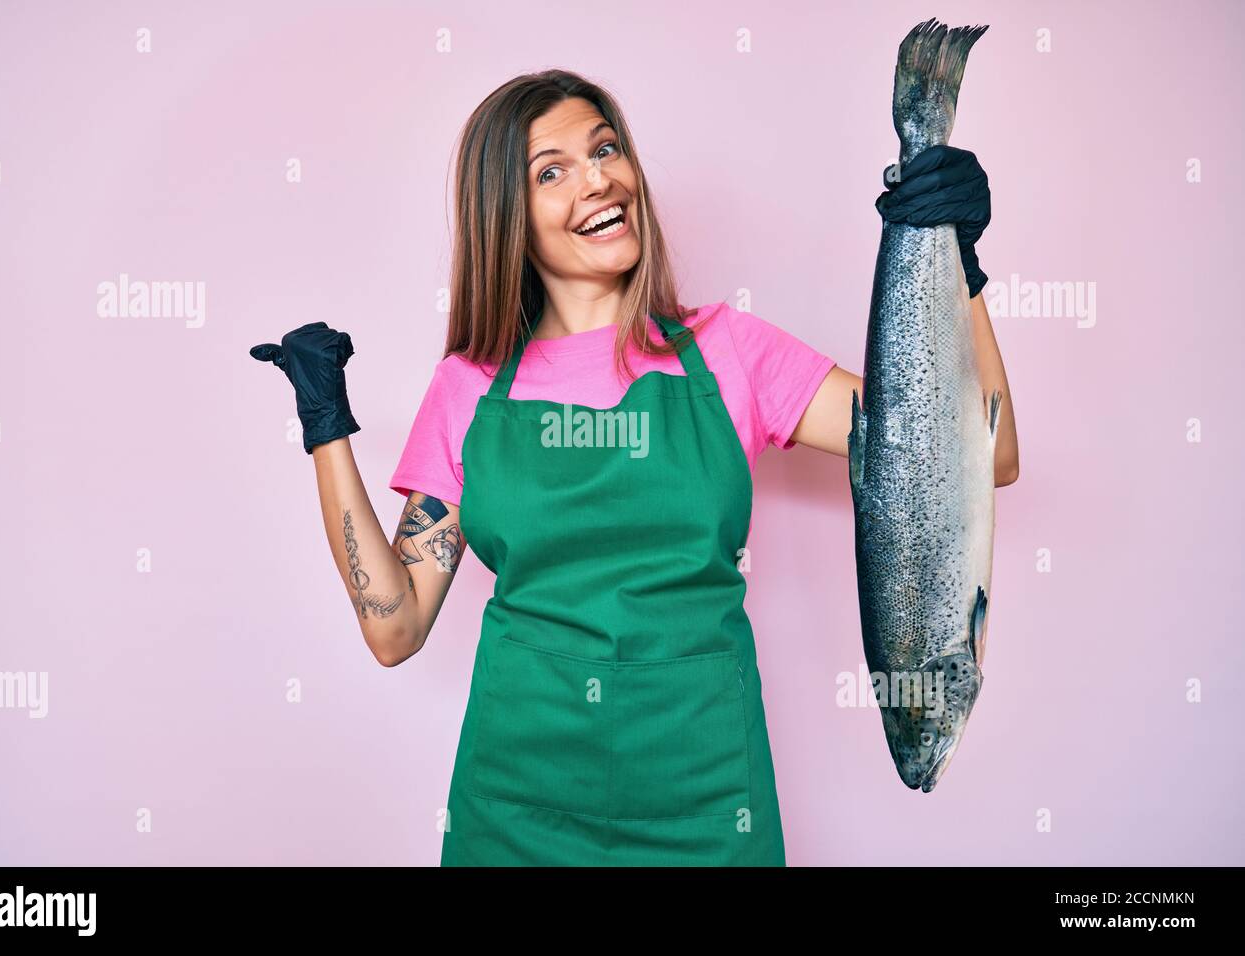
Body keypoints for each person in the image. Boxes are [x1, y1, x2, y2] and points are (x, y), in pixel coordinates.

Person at [250, 69, 1019, 866]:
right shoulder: (470, 387)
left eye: (605, 149)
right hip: (516, 809)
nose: (598, 180)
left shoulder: (731, 351)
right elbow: (395, 627)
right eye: (552, 171)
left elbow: (984, 456)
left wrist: (955, 259)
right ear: (507, 217)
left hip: (711, 804)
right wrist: (326, 426)